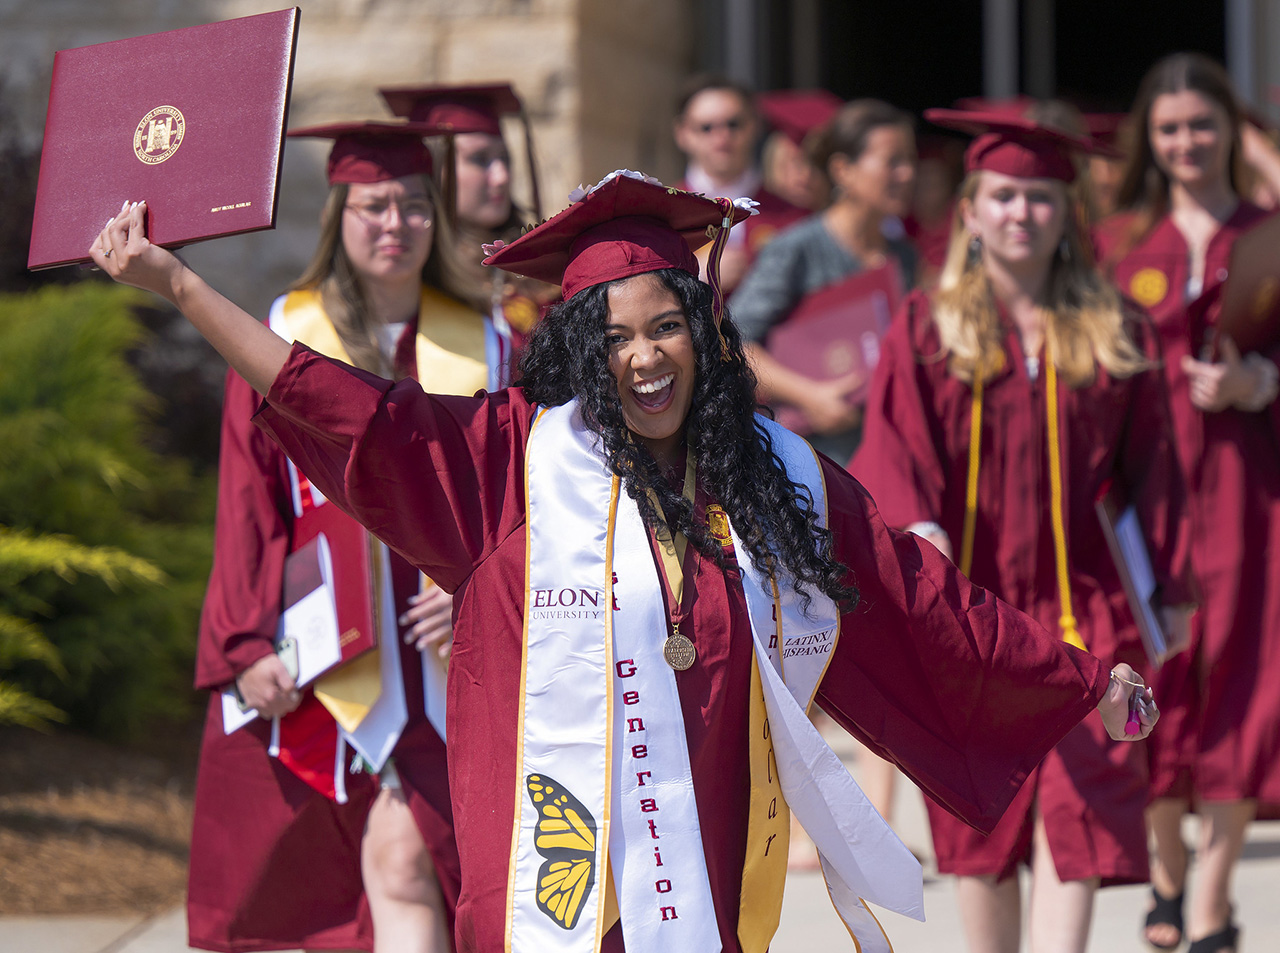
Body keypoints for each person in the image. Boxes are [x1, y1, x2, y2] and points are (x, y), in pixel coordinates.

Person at [92, 170, 1155, 953]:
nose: (643, 356)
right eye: (613, 337)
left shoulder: (772, 478)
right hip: (559, 868)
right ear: (579, 352)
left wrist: (1077, 682)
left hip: (711, 851)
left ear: (703, 332)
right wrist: (178, 284)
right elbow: (344, 409)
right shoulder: (510, 462)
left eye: (665, 327)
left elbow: (918, 598)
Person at [852, 108, 1194, 953]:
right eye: (1002, 195)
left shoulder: (1117, 329)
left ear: (1067, 213)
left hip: (1089, 607)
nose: (1021, 213)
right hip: (971, 614)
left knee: (1080, 811)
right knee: (980, 820)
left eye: (1040, 197)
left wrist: (1172, 584)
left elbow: (1155, 467)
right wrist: (919, 532)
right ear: (970, 211)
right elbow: (895, 450)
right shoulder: (926, 328)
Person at [184, 121, 503, 953]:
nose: (395, 224)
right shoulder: (282, 333)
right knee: (375, 875)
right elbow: (250, 499)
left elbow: (525, 498)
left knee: (423, 867)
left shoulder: (493, 340)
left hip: (455, 661)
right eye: (374, 206)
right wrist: (244, 641)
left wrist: (484, 590)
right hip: (331, 661)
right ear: (339, 216)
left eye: (413, 204)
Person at [1097, 52, 1280, 953]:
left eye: (1203, 124)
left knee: (1245, 677)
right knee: (1156, 673)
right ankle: (1166, 871)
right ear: (1149, 138)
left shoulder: (1270, 237)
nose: (1186, 142)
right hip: (1147, 499)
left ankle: (1212, 896)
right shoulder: (1118, 243)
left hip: (1248, 488)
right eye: (1169, 128)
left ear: (1230, 131)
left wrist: (1260, 380)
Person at [730, 98, 918, 463]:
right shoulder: (797, 248)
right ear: (843, 170)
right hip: (812, 463)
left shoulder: (904, 256)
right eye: (893, 161)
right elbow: (733, 340)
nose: (908, 174)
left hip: (886, 456)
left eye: (911, 160)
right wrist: (810, 397)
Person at [380, 82, 553, 337]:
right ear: (434, 167)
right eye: (480, 159)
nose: (502, 176)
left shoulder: (540, 271)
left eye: (504, 159)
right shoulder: (408, 279)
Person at [673, 74, 806, 292]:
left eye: (733, 124)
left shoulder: (793, 218)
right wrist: (696, 277)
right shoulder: (660, 216)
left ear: (755, 125)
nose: (721, 137)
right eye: (706, 127)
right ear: (682, 133)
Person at [757, 88, 843, 213]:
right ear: (776, 163)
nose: (806, 176)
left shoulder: (844, 217)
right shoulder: (751, 211)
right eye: (796, 163)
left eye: (816, 165)